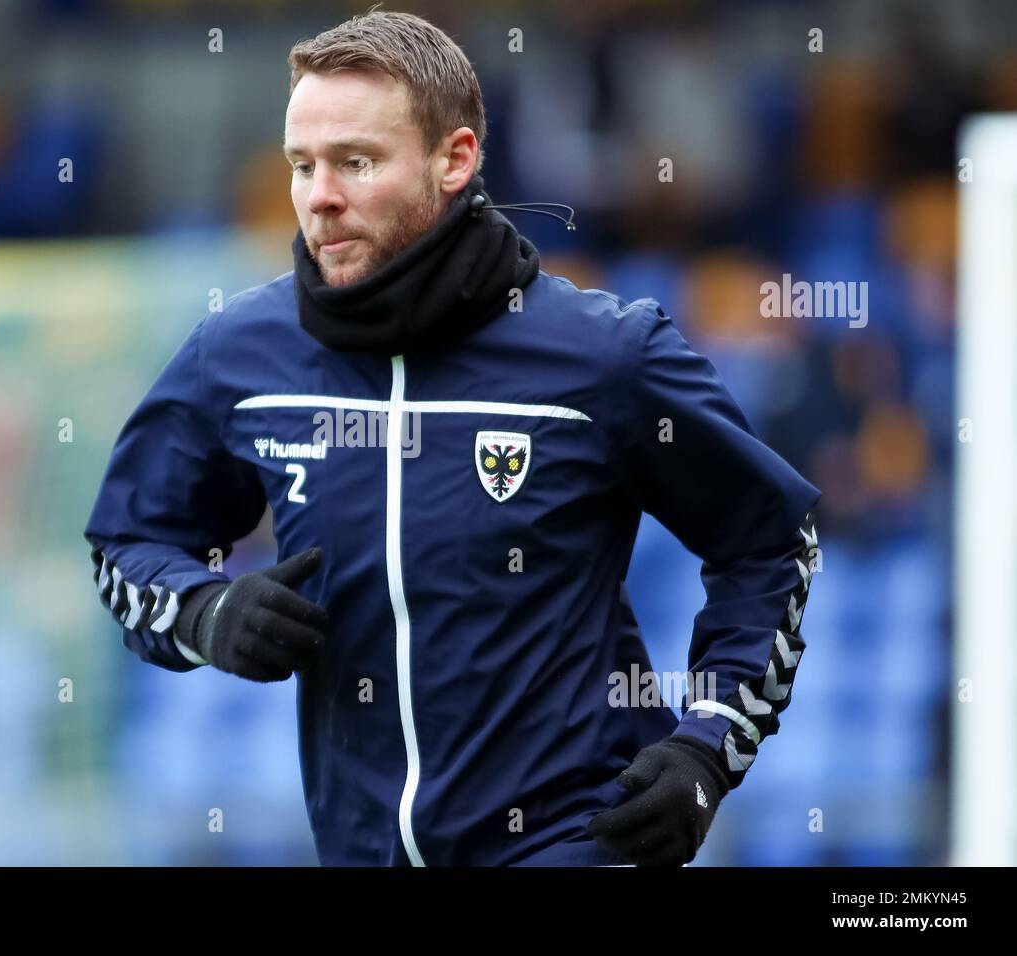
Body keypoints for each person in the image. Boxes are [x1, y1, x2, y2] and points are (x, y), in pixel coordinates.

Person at [84, 10, 820, 867]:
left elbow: (771, 543)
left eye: (355, 162)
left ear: (455, 159)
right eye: (301, 164)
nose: (320, 194)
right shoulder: (239, 352)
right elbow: (128, 542)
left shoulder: (605, 355)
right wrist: (204, 611)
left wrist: (706, 745)